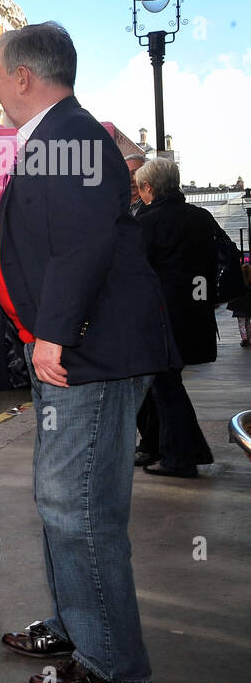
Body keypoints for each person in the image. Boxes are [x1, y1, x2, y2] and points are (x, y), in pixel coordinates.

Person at [0, 21, 180, 683]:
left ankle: (112, 662)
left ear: (25, 78)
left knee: (79, 509)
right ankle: (78, 623)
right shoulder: (62, 135)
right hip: (78, 352)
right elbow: (42, 242)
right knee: (64, 501)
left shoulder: (68, 137)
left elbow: (84, 243)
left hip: (87, 355)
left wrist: (53, 334)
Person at [133, 157, 216, 477]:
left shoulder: (148, 223)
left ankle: (182, 456)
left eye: (140, 187)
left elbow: (137, 272)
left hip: (161, 319)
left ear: (149, 188)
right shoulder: (199, 217)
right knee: (166, 386)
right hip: (195, 315)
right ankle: (179, 450)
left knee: (166, 389)